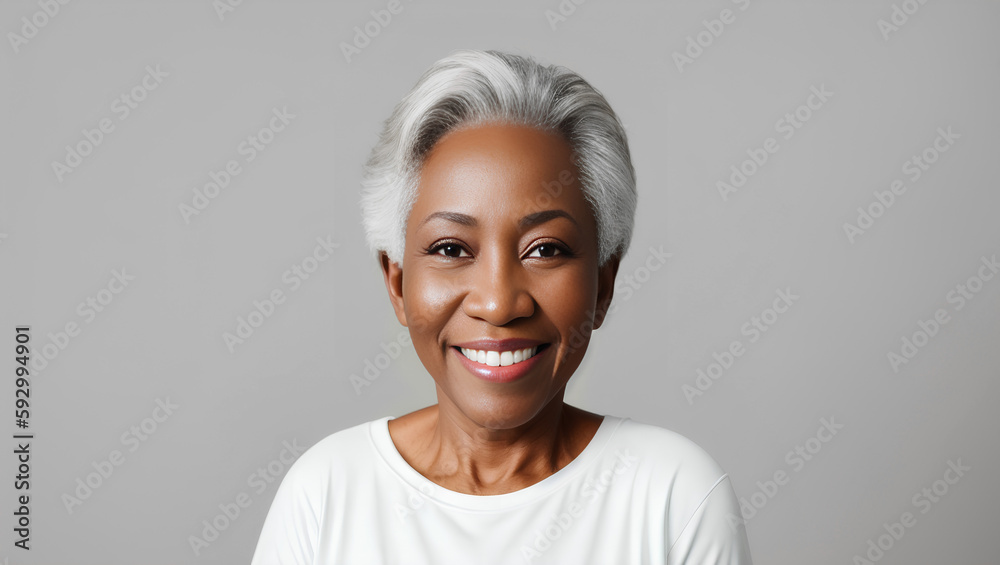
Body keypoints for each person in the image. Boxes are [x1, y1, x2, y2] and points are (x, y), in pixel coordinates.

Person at [251, 49, 754, 564]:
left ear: (603, 285)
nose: (498, 303)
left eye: (546, 249)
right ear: (396, 283)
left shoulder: (673, 497)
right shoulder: (326, 495)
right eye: (451, 249)